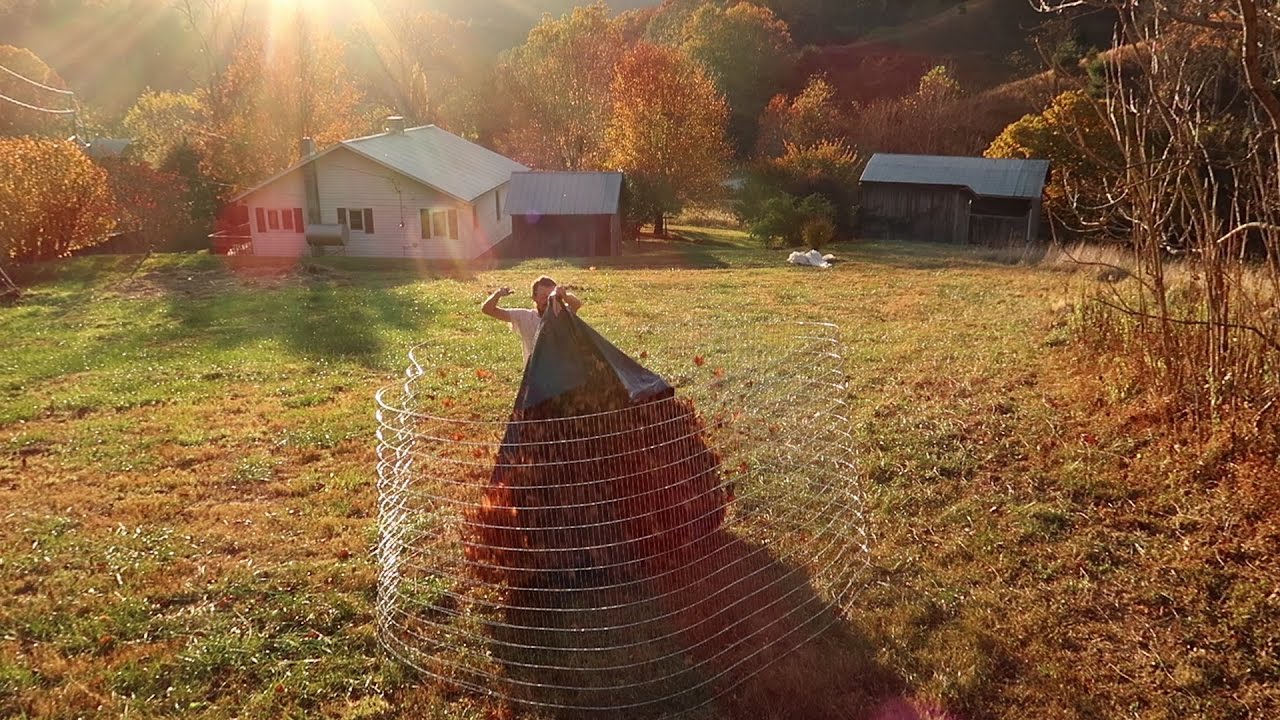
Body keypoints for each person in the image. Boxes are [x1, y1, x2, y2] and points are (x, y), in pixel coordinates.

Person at [481, 275, 583, 362]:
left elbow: (577, 304)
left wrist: (565, 296)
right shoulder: (524, 316)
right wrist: (497, 294)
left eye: (550, 296)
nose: (547, 300)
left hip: (562, 374)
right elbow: (487, 309)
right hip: (534, 375)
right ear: (534, 297)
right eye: (543, 296)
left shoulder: (563, 314)